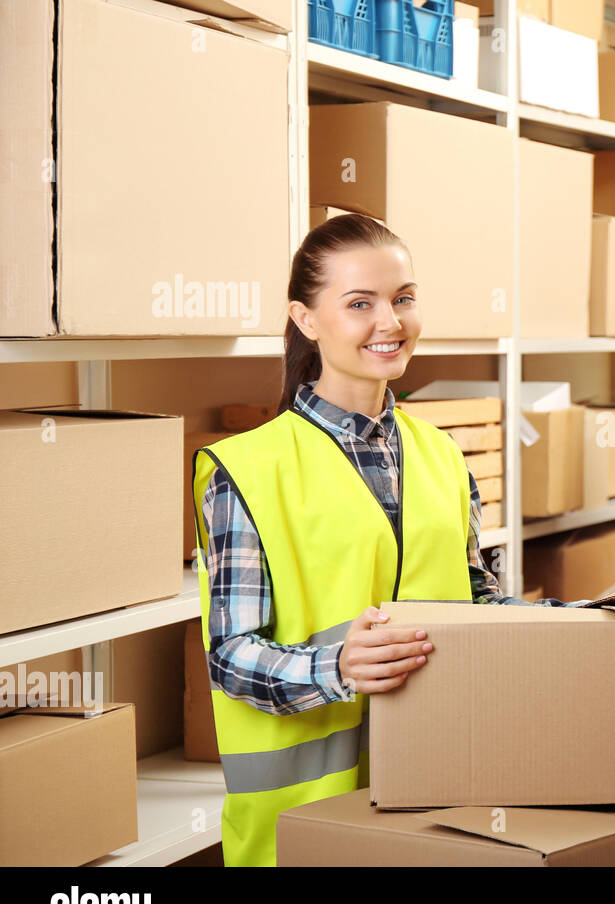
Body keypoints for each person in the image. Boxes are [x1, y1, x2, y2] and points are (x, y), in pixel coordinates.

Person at [191, 214, 560, 867]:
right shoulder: (245, 471)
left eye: (404, 298)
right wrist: (335, 668)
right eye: (360, 303)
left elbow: (476, 598)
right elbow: (230, 658)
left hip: (440, 811)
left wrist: (584, 627)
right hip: (304, 829)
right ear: (306, 319)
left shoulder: (444, 455)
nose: (390, 322)